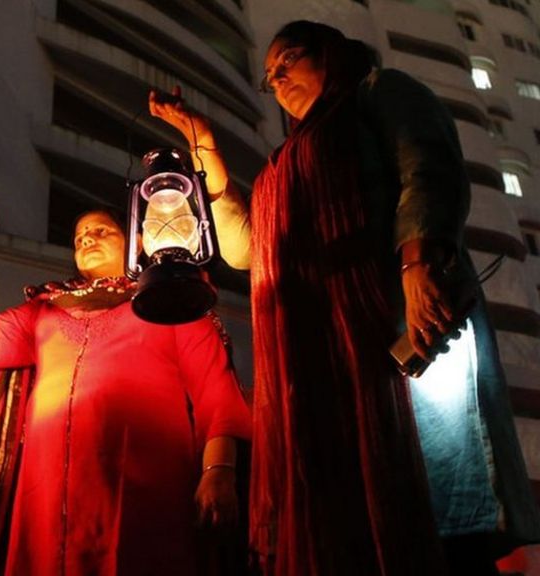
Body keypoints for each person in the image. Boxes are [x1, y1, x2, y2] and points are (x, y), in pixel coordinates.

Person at [150, 19, 540, 576]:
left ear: (332, 54)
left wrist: (418, 262)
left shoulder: (377, 96)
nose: (279, 80)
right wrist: (205, 147)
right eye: (270, 77)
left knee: (432, 499)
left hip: (401, 320)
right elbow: (247, 249)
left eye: (290, 61)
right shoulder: (281, 168)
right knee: (350, 504)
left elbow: (427, 167)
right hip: (324, 357)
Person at [0, 203, 252, 575]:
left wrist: (219, 470)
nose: (87, 237)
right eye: (79, 237)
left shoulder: (170, 300)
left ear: (136, 242)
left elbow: (215, 389)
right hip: (46, 493)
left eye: (102, 230)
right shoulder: (43, 311)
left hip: (144, 487)